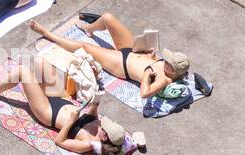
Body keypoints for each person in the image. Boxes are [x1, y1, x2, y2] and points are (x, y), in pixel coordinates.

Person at [0, 56, 129, 155]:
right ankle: (35, 88)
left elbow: (59, 141)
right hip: (64, 100)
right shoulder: (99, 126)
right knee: (40, 62)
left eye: (105, 129)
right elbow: (93, 116)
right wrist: (96, 102)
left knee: (22, 71)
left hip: (49, 112)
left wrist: (71, 121)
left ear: (104, 137)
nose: (103, 125)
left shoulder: (87, 143)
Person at [30, 14, 192, 99]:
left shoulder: (164, 79)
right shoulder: (169, 68)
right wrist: (150, 54)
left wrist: (147, 74)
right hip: (134, 50)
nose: (165, 60)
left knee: (85, 47)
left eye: (167, 61)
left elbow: (144, 93)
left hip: (121, 64)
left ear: (171, 70)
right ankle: (89, 28)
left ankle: (47, 34)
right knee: (108, 18)